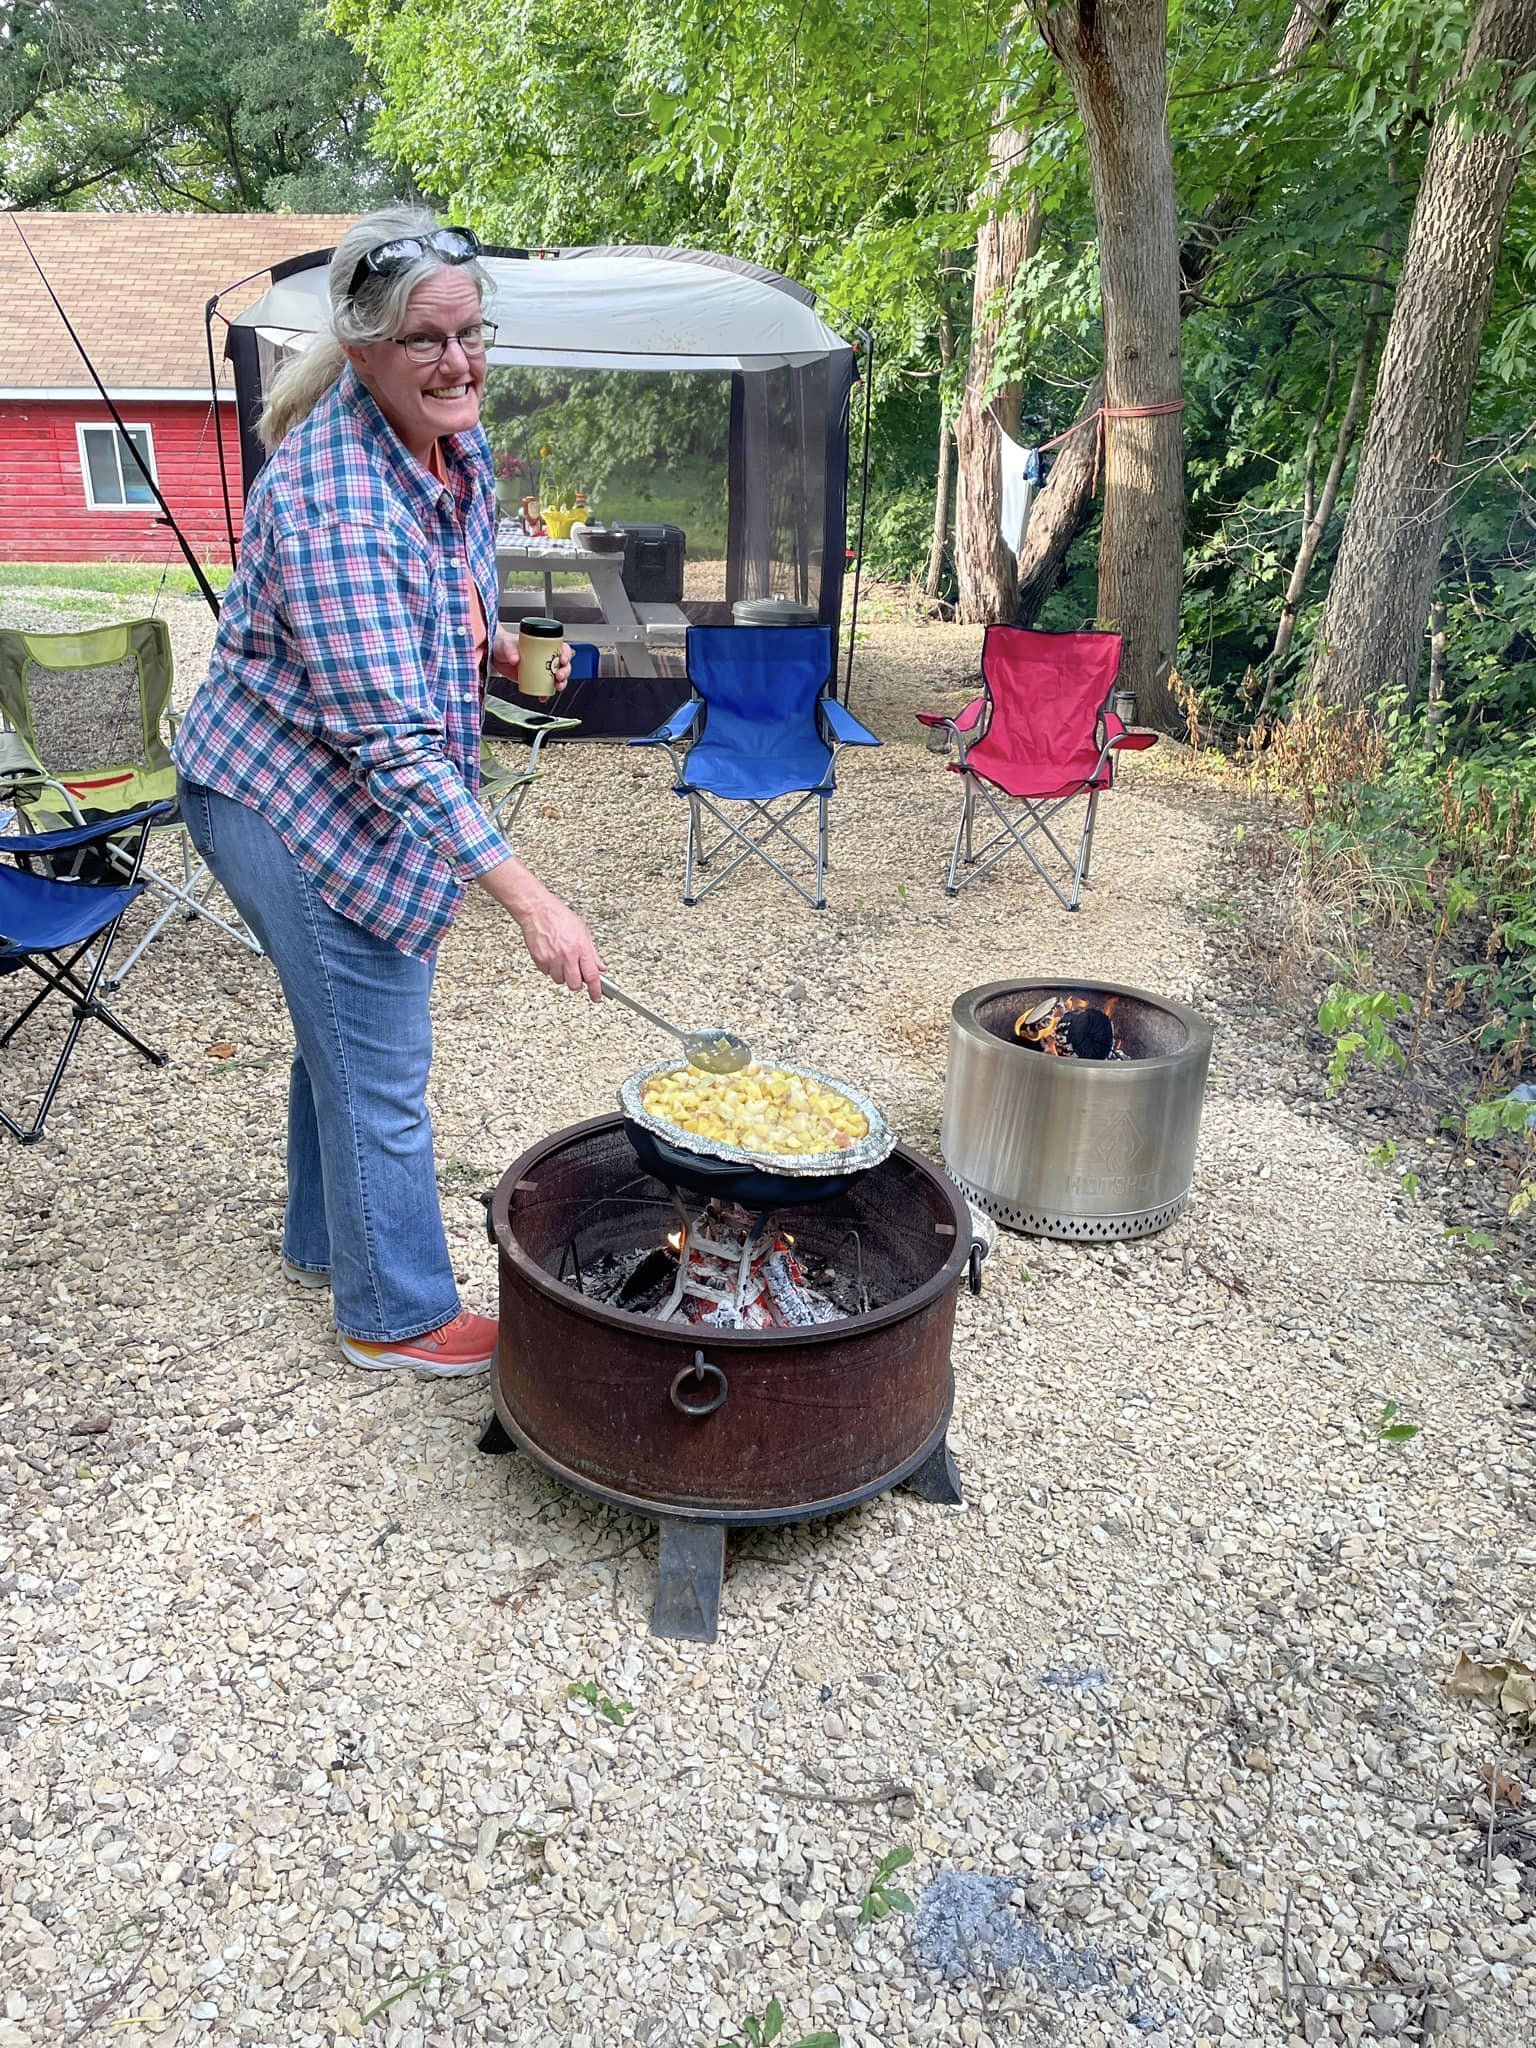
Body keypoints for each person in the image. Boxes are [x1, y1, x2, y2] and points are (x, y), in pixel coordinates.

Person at [174, 206, 605, 1378]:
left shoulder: (449, 440)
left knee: (343, 1033)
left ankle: (326, 1236)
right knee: (378, 1053)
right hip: (276, 792)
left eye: (472, 334)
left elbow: (441, 593)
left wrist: (492, 635)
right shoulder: (335, 500)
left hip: (351, 776)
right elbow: (394, 747)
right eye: (427, 340)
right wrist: (532, 900)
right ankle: (394, 1313)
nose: (459, 363)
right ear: (364, 350)